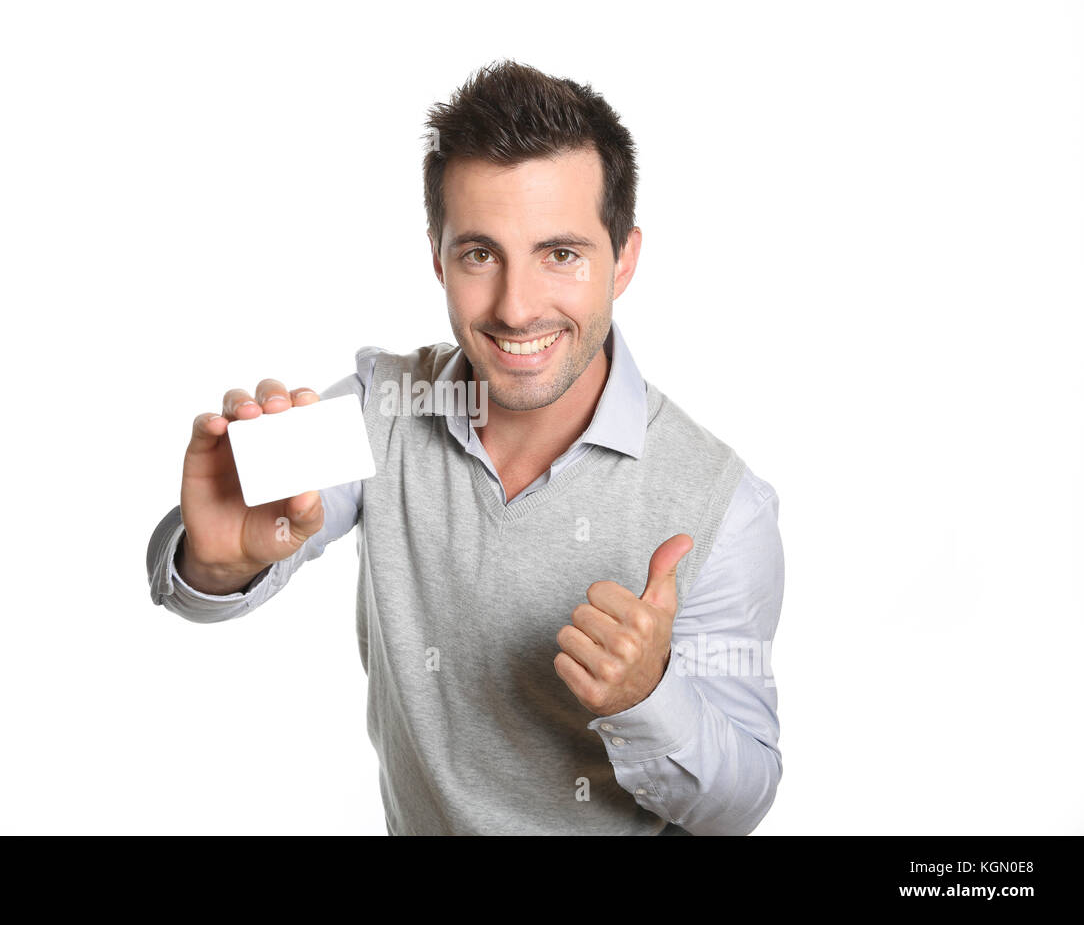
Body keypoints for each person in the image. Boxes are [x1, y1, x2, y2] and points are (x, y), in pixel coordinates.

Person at [146, 59, 785, 835]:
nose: (516, 309)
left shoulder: (724, 505)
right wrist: (215, 563)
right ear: (437, 256)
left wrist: (647, 697)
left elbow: (742, 801)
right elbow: (199, 569)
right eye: (479, 254)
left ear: (624, 260)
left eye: (562, 254)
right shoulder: (380, 409)